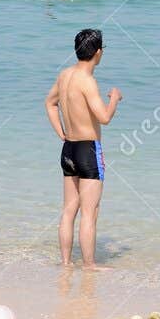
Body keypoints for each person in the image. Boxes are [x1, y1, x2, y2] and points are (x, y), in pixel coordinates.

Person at [44, 28, 122, 269]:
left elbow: (50, 103)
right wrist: (115, 99)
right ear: (98, 53)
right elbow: (104, 117)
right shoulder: (88, 81)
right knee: (90, 211)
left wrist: (61, 133)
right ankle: (89, 263)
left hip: (68, 149)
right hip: (88, 150)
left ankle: (66, 262)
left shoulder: (65, 75)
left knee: (69, 210)